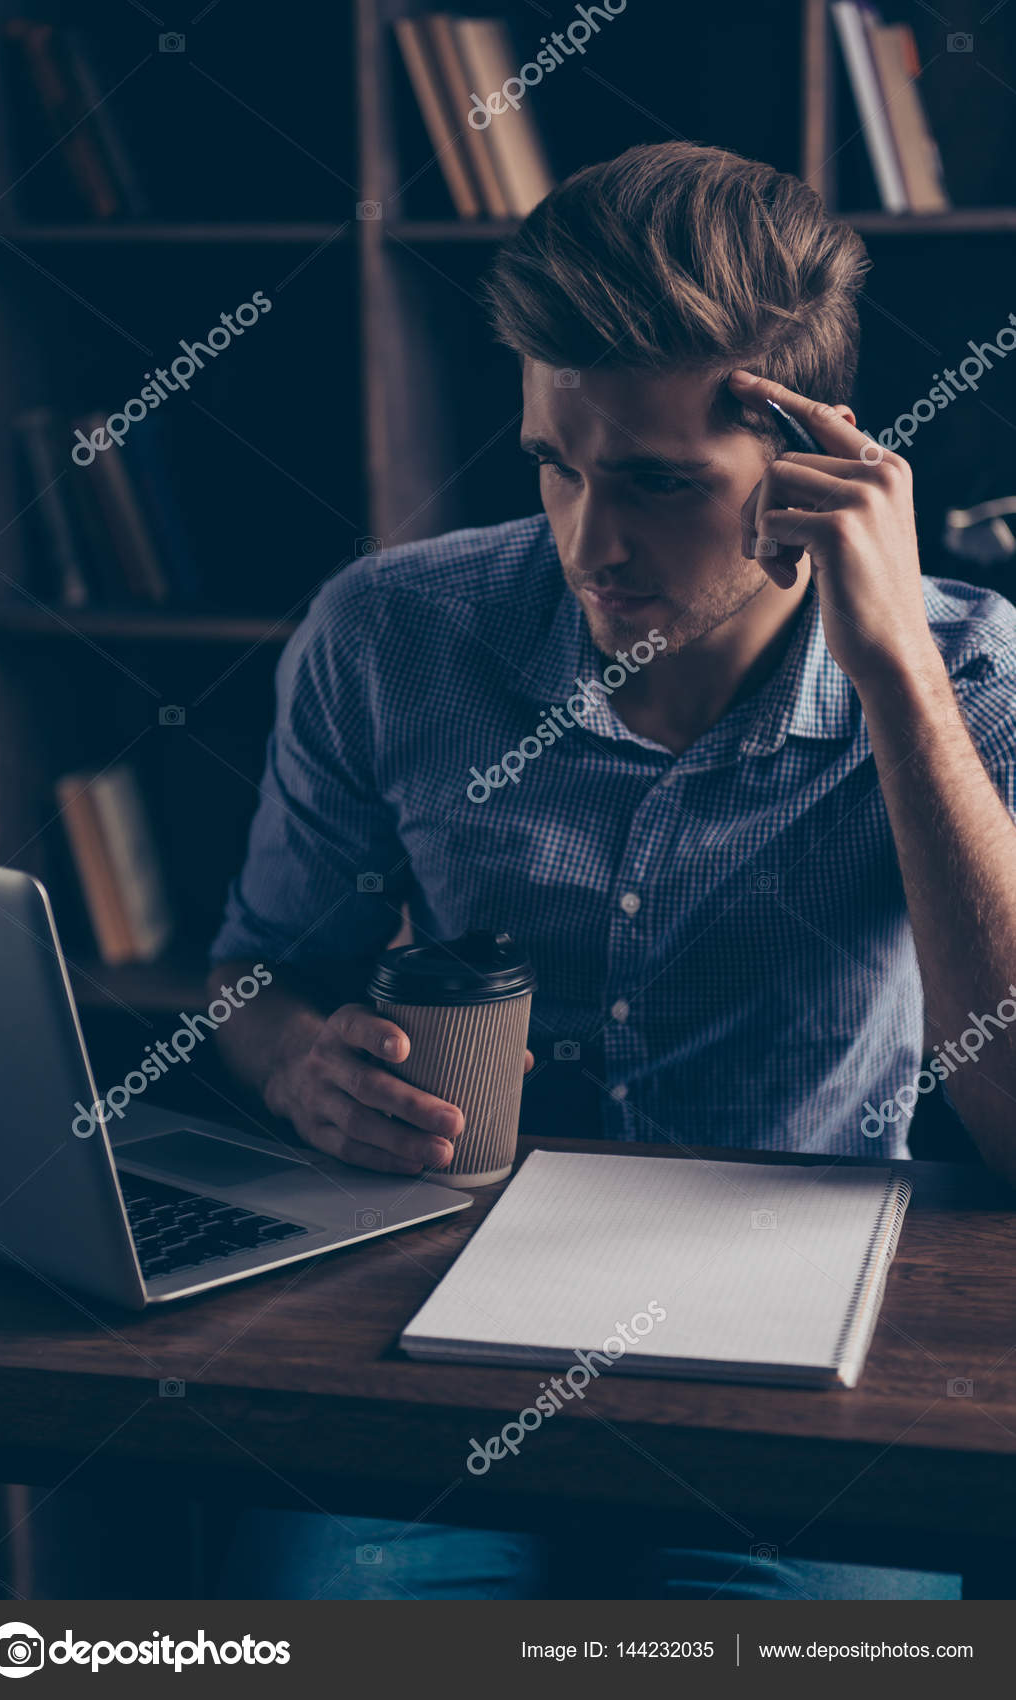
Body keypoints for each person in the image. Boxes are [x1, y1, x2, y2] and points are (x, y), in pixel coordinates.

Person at [209, 141, 1016, 1600]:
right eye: (555, 465)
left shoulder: (973, 676)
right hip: (431, 1329)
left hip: (800, 1361)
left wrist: (896, 674)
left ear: (816, 468)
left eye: (657, 483)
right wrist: (292, 1071)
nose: (592, 542)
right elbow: (257, 978)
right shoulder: (387, 636)